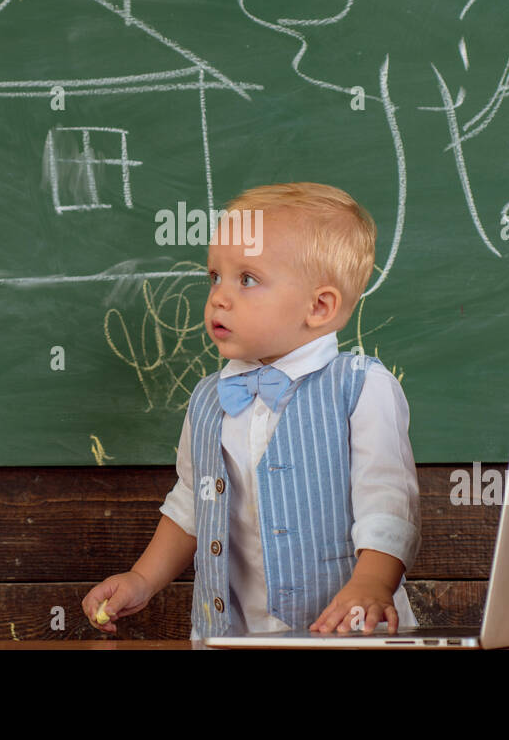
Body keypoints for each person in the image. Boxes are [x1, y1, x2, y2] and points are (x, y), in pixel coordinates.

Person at [82, 182, 419, 638]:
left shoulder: (361, 387)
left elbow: (387, 502)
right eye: (215, 277)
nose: (220, 296)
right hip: (232, 634)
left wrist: (371, 584)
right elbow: (191, 504)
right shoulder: (207, 398)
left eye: (247, 279)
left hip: (346, 635)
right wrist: (143, 579)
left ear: (319, 306)